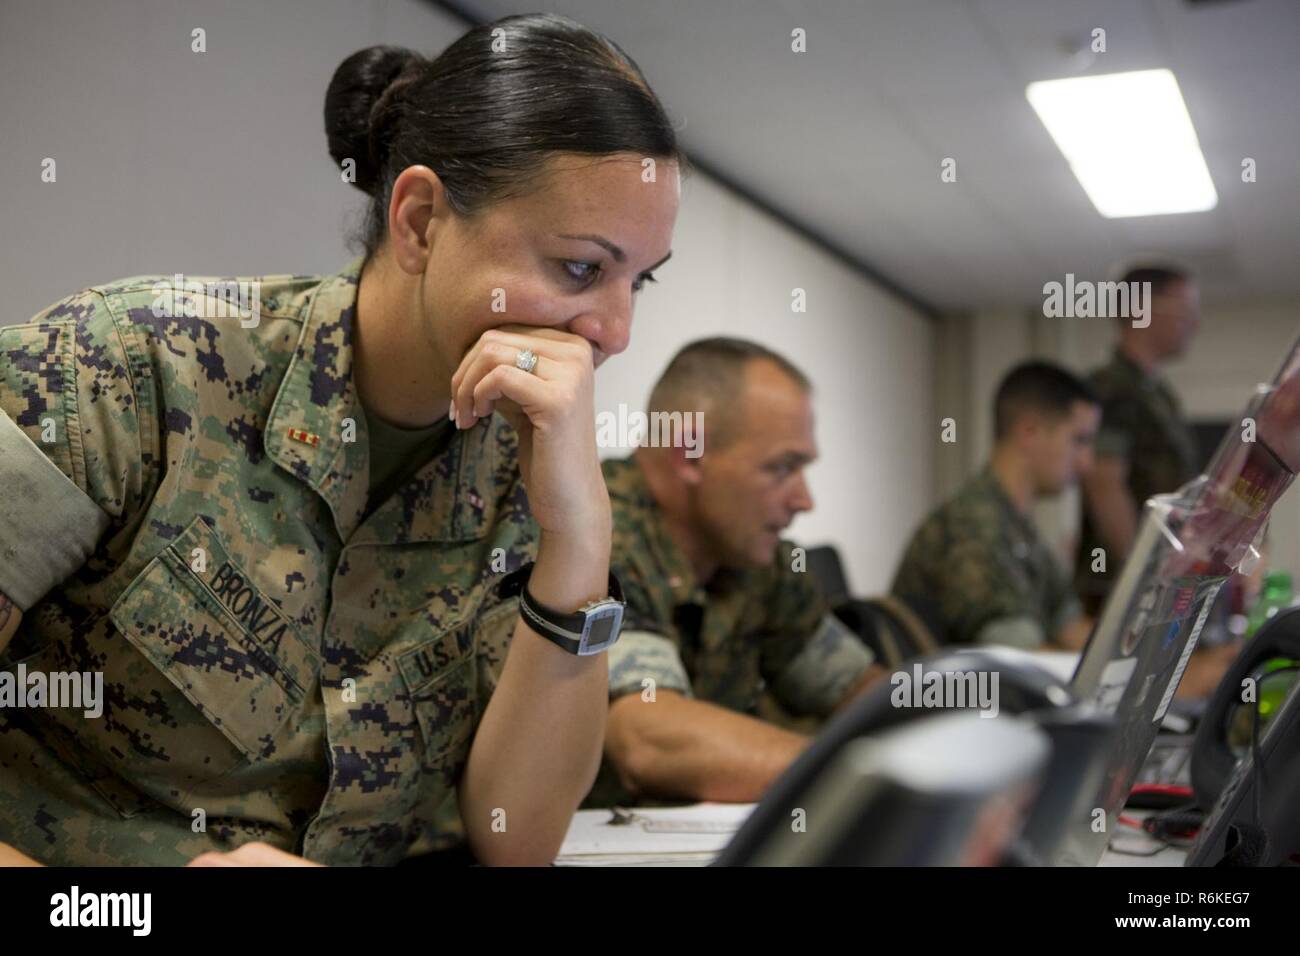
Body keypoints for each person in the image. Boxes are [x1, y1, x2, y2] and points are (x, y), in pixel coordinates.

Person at [0, 13, 680, 866]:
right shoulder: (130, 368)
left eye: (638, 281)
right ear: (423, 220)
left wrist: (579, 539)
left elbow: (520, 839)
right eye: (582, 267)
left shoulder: (526, 469)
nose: (615, 330)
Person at [593, 338, 884, 807]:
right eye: (782, 467)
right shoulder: (594, 534)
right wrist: (862, 782)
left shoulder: (752, 555)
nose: (804, 501)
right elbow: (646, 737)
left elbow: (854, 688)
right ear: (689, 453)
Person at [892, 362, 1100, 651]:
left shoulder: (1020, 530)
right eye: (1079, 440)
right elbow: (1021, 659)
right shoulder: (971, 526)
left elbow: (1071, 628)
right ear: (1030, 432)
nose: (1086, 463)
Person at [1075, 264, 1202, 611]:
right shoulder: (1112, 389)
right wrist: (1145, 582)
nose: (1196, 323)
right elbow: (1105, 484)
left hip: (1159, 581)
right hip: (1123, 591)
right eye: (1186, 310)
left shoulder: (1159, 395)